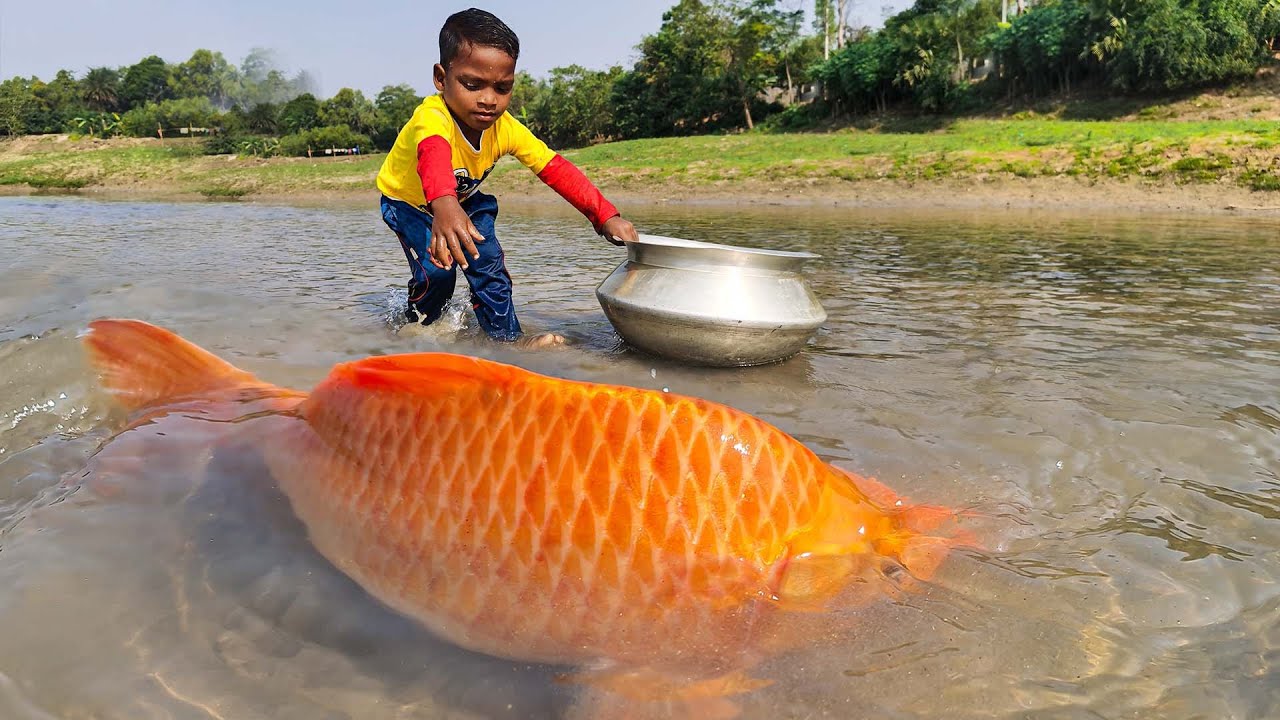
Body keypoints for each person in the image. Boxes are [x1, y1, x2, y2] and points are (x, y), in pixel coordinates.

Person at [377, 8, 639, 347]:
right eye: (472, 85)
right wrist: (444, 204)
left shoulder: (505, 128)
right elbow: (433, 154)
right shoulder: (432, 117)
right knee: (438, 272)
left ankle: (507, 341)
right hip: (409, 203)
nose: (488, 100)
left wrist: (605, 215)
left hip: (460, 201)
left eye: (502, 88)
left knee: (488, 267)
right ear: (441, 78)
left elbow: (554, 169)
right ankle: (416, 325)